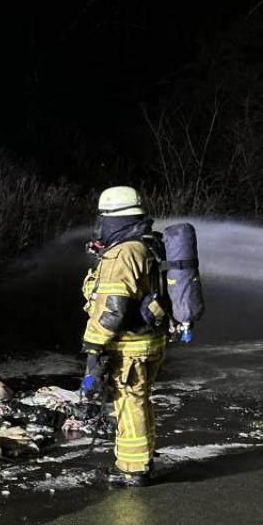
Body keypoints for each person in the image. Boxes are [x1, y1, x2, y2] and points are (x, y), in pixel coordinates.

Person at [79, 186, 167, 487]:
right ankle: (142, 459)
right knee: (139, 400)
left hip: (130, 346)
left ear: (114, 219)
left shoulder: (124, 252)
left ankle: (132, 469)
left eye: (103, 218)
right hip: (149, 341)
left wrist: (93, 344)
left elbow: (112, 310)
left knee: (129, 403)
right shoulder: (146, 243)